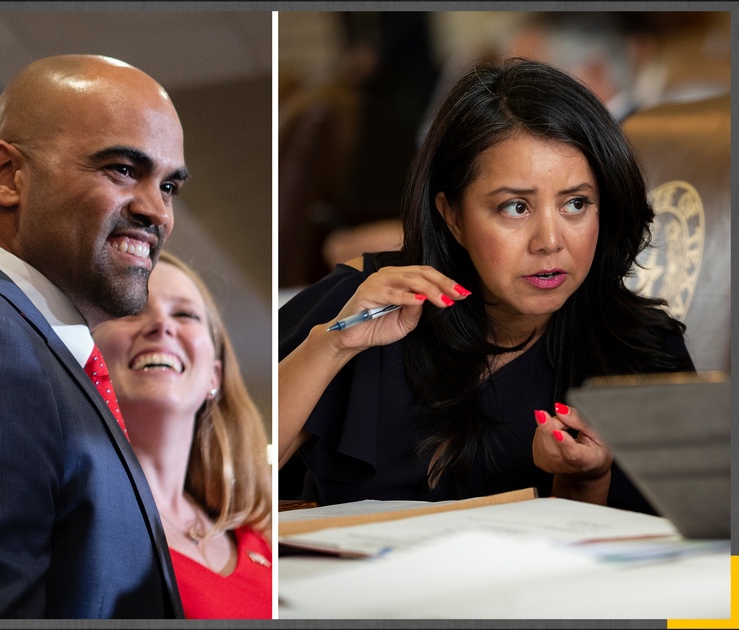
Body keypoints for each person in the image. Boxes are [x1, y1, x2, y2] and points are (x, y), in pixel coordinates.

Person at [278, 58, 694, 512]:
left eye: (576, 203)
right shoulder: (365, 302)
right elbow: (230, 472)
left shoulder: (644, 355)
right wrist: (333, 346)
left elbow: (682, 558)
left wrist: (585, 479)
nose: (550, 242)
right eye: (515, 207)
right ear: (452, 216)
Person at [0, 54, 189, 618]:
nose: (155, 210)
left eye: (169, 186)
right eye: (121, 169)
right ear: (6, 176)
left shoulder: (32, 341)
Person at [93, 251, 273, 619]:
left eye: (185, 314)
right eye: (132, 309)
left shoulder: (255, 532)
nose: (161, 325)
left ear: (214, 376)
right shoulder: (77, 526)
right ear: (90, 354)